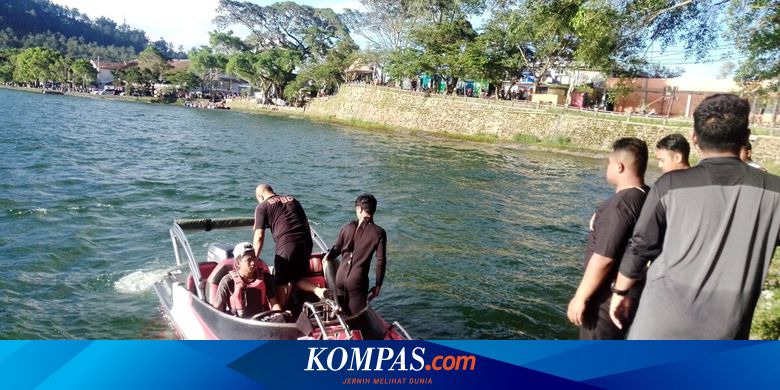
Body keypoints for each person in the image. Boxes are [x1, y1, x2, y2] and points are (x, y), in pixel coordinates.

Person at [610, 94, 780, 339]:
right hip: (726, 328)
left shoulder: (669, 185)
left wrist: (621, 292)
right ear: (746, 137)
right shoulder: (774, 191)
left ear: (694, 138)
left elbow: (641, 246)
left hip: (659, 322)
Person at [567, 137, 650, 339]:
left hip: (605, 303)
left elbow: (604, 258)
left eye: (609, 163)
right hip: (631, 295)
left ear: (619, 166)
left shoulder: (620, 206)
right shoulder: (647, 196)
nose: (608, 167)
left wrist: (580, 297)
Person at [322, 193, 387, 316]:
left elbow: (336, 250)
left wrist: (327, 257)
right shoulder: (379, 233)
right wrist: (378, 285)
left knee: (340, 313)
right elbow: (381, 261)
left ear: (359, 209)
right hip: (357, 282)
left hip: (340, 277)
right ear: (374, 210)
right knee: (355, 317)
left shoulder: (346, 227)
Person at [253, 184, 314, 308]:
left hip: (286, 246)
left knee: (280, 281)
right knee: (297, 278)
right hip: (306, 243)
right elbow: (306, 226)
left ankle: (282, 312)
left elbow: (259, 237)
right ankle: (316, 292)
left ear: (260, 197)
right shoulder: (293, 200)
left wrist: (254, 259)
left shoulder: (262, 207)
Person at [212, 242, 281, 318]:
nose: (253, 262)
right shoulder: (228, 281)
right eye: (249, 260)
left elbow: (274, 303)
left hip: (261, 320)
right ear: (238, 263)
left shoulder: (266, 277)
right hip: (236, 321)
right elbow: (217, 308)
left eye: (254, 257)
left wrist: (280, 315)